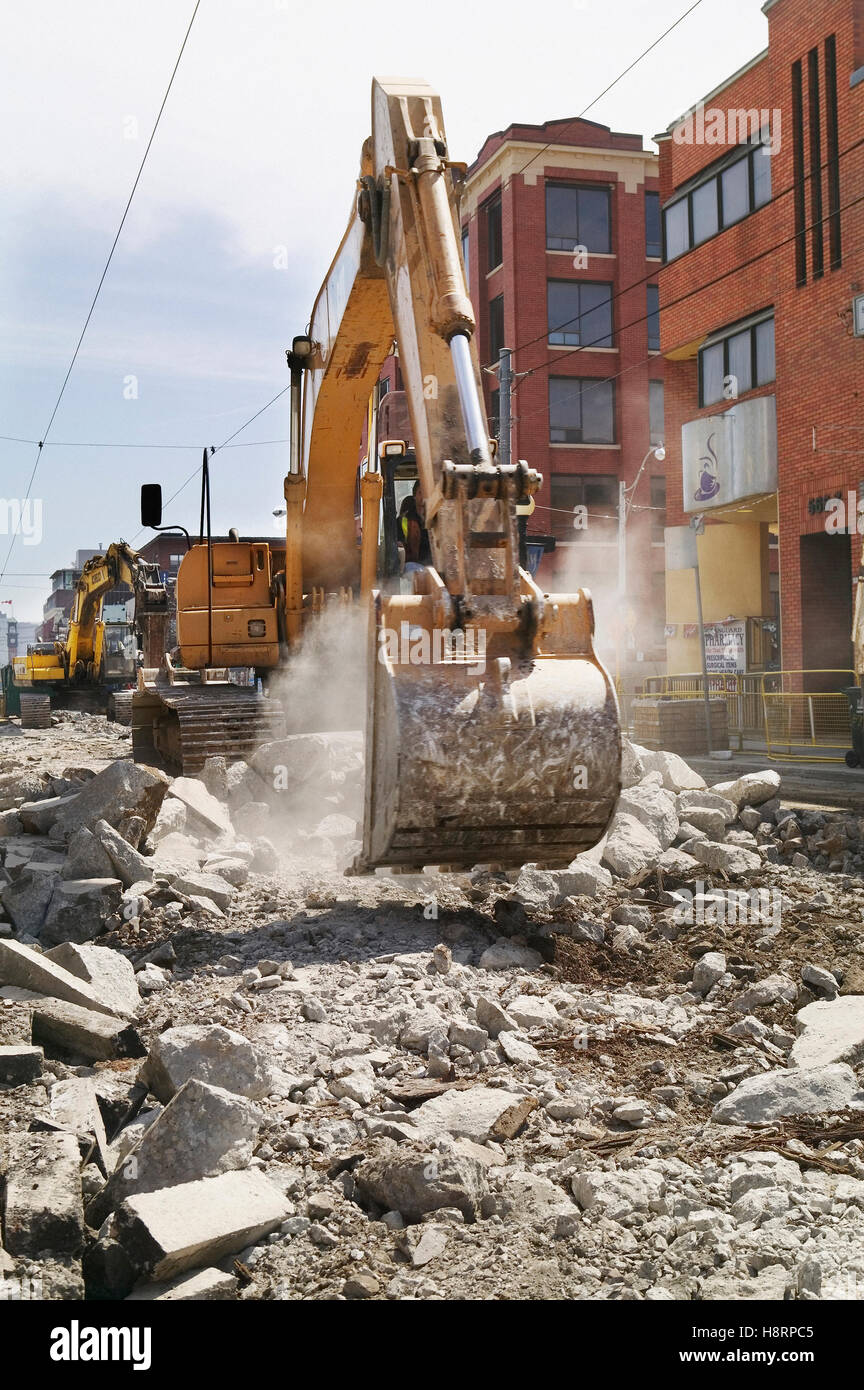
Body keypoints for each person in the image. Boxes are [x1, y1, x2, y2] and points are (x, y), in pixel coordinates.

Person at [398, 481, 431, 566]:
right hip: (412, 565)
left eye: (427, 492)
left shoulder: (440, 520)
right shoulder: (402, 521)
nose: (423, 497)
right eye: (420, 492)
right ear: (414, 496)